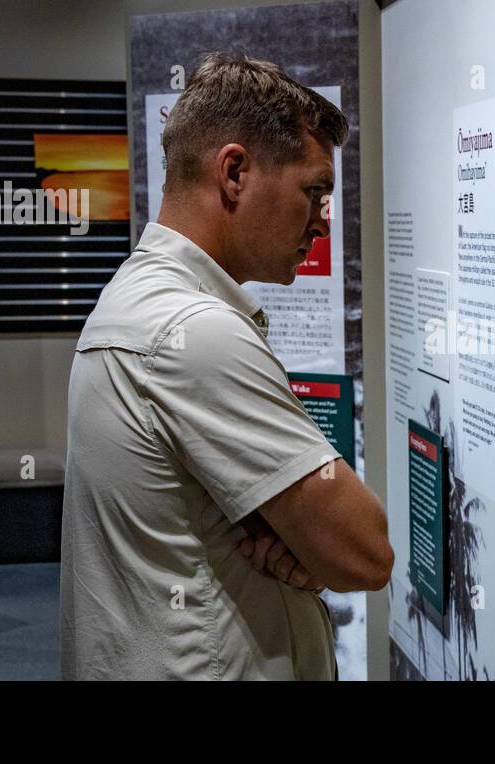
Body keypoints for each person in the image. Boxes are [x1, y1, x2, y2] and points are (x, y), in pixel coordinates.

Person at [61, 53, 393, 680]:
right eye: (314, 192)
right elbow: (367, 552)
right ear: (235, 172)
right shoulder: (196, 332)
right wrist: (312, 547)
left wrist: (300, 543)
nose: (322, 222)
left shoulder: (134, 299)